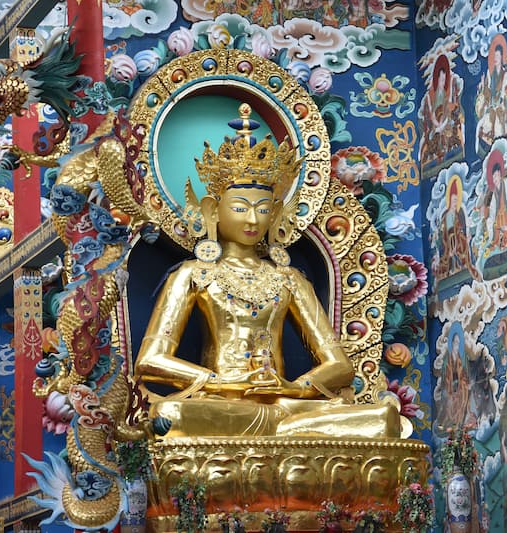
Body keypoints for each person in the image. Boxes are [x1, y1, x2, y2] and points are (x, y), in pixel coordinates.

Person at [134, 105, 400, 439]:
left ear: (275, 214)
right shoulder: (192, 275)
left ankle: (289, 428)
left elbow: (340, 365)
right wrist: (220, 382)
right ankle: (288, 432)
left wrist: (294, 387)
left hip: (284, 403)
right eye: (240, 208)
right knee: (170, 415)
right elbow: (150, 360)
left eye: (262, 210)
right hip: (222, 406)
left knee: (378, 419)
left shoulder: (289, 279)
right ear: (212, 211)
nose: (252, 219)